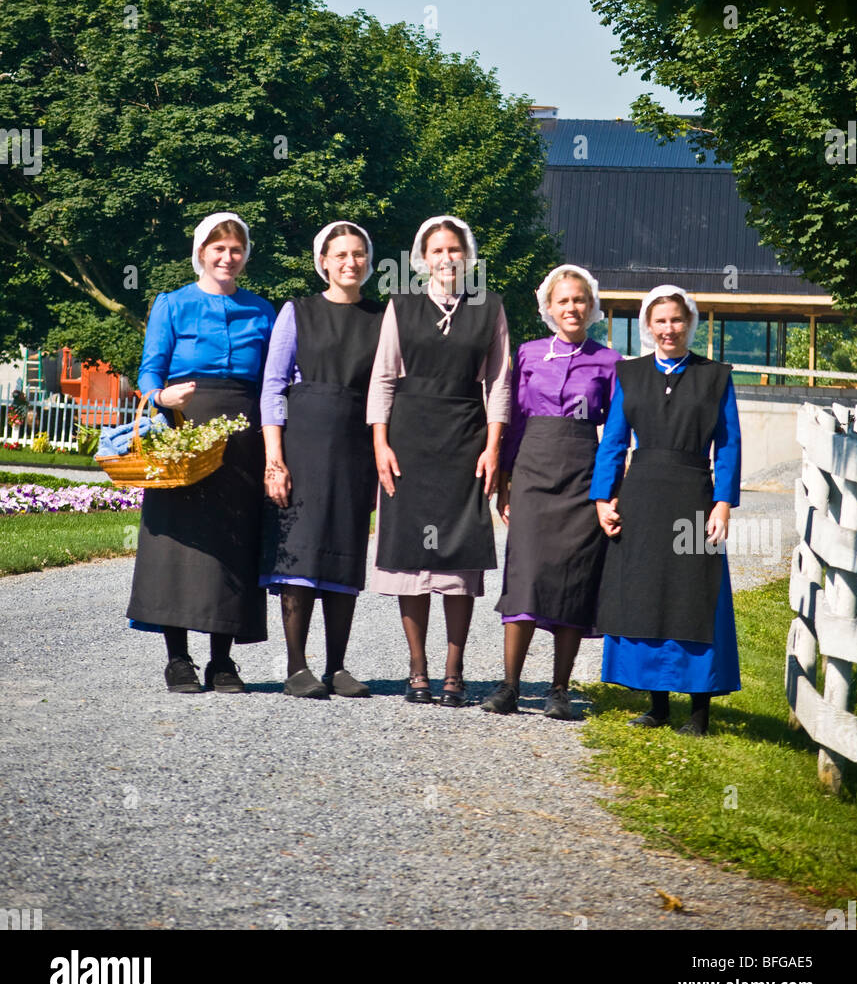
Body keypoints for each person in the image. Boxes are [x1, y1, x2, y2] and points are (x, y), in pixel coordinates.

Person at [127, 212, 276, 693]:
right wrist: (161, 397)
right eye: (219, 249)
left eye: (236, 249)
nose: (227, 257)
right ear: (201, 253)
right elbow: (149, 371)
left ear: (245, 256)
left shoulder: (262, 311)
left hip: (243, 437)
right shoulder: (172, 305)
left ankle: (222, 661)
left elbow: (274, 379)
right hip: (185, 431)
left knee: (232, 543)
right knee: (180, 544)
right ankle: (178, 659)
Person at [368, 216, 510, 707]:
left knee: (459, 559)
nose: (447, 258)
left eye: (455, 249)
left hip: (466, 440)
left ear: (467, 257)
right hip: (408, 439)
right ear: (422, 259)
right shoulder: (401, 305)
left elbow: (500, 382)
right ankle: (417, 670)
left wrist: (494, 446)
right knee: (412, 557)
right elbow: (384, 377)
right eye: (438, 250)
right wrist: (380, 443)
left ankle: (454, 671)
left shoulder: (488, 306)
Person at [590, 284, 742, 736]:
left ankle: (699, 714)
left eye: (677, 319)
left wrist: (723, 503)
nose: (669, 328)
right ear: (648, 326)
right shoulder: (630, 374)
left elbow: (729, 443)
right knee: (647, 596)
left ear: (689, 323)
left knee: (695, 597)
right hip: (640, 499)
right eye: (660, 321)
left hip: (694, 495)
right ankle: (657, 706)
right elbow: (614, 441)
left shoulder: (715, 375)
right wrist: (603, 498)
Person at [482, 266, 621, 720]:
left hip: (583, 472)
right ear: (548, 308)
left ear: (592, 306)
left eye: (579, 300)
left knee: (573, 580)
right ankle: (509, 686)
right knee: (523, 574)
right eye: (563, 301)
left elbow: (618, 432)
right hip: (532, 472)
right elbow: (514, 423)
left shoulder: (610, 362)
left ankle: (559, 690)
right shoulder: (525, 355)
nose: (572, 308)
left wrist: (609, 490)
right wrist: (504, 479)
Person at [259, 221, 384, 699]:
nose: (351, 262)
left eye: (359, 254)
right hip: (303, 443)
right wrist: (275, 459)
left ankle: (337, 667)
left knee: (343, 551)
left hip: (355, 445)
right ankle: (296, 667)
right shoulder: (299, 312)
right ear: (324, 262)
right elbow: (272, 386)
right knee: (301, 553)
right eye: (341, 255)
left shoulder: (382, 316)